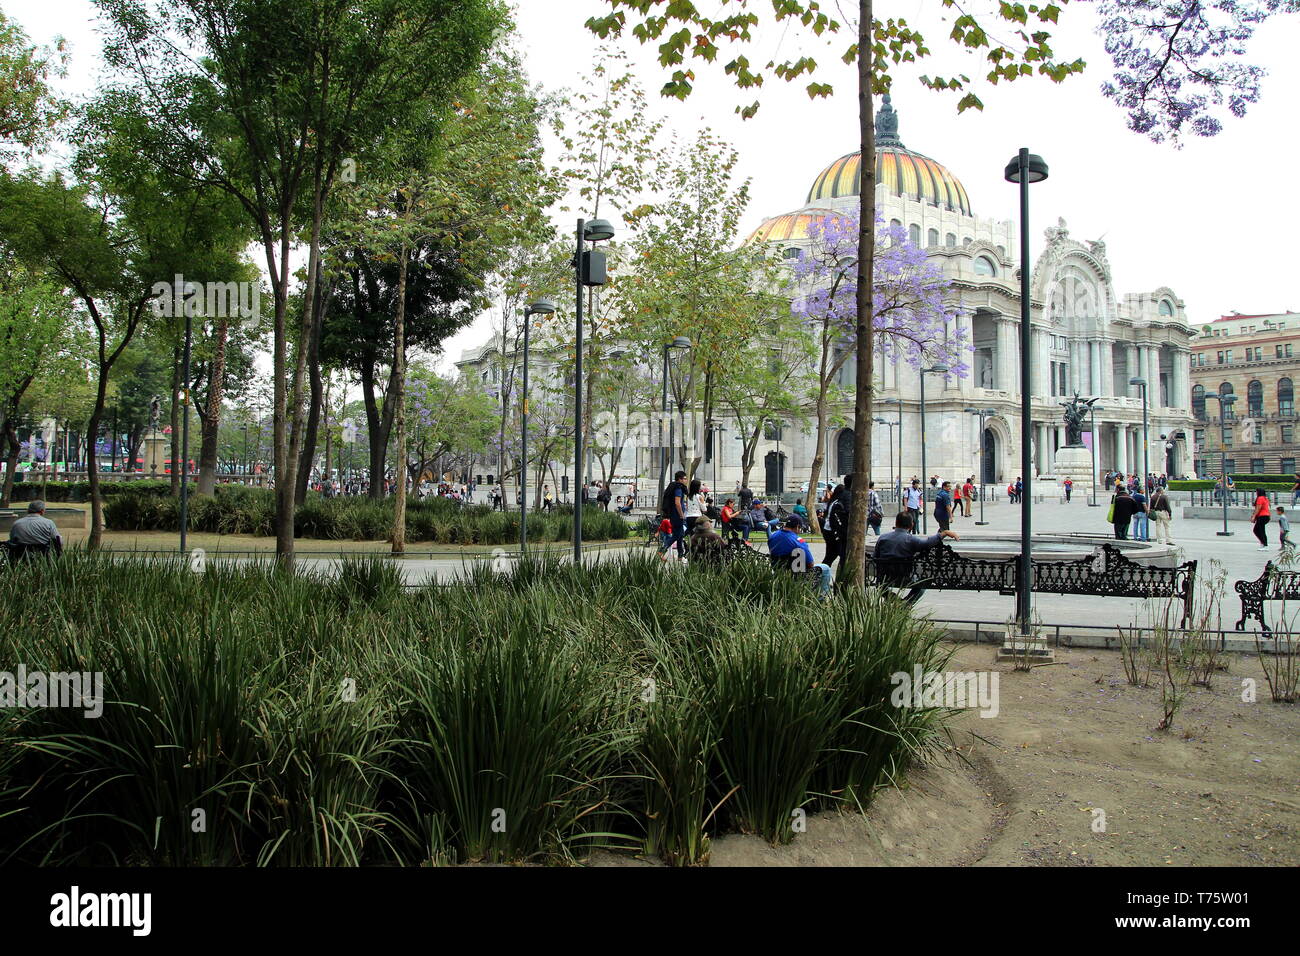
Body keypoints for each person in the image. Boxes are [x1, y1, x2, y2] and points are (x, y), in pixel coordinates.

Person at [872, 512, 959, 604]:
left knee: (880, 585)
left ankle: (897, 602)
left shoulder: (883, 538)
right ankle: (905, 604)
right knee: (923, 585)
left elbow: (875, 557)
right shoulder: (911, 540)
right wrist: (944, 533)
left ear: (896, 523)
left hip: (884, 578)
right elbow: (927, 543)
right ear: (912, 525)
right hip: (904, 578)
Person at [767, 515, 833, 597]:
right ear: (798, 526)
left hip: (779, 573)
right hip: (797, 576)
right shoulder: (798, 541)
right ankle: (821, 599)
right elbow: (810, 564)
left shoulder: (773, 537)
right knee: (825, 568)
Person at [661, 471, 689, 561]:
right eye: (684, 478)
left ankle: (680, 556)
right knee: (677, 535)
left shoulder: (675, 487)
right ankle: (661, 550)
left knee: (680, 535)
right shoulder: (678, 489)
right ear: (680, 479)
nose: (686, 480)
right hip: (677, 515)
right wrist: (681, 515)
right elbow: (677, 503)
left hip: (674, 515)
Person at [822, 484, 848, 567]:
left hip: (828, 530)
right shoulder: (837, 503)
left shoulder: (833, 502)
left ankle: (822, 572)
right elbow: (834, 520)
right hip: (831, 531)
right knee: (833, 554)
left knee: (830, 555)